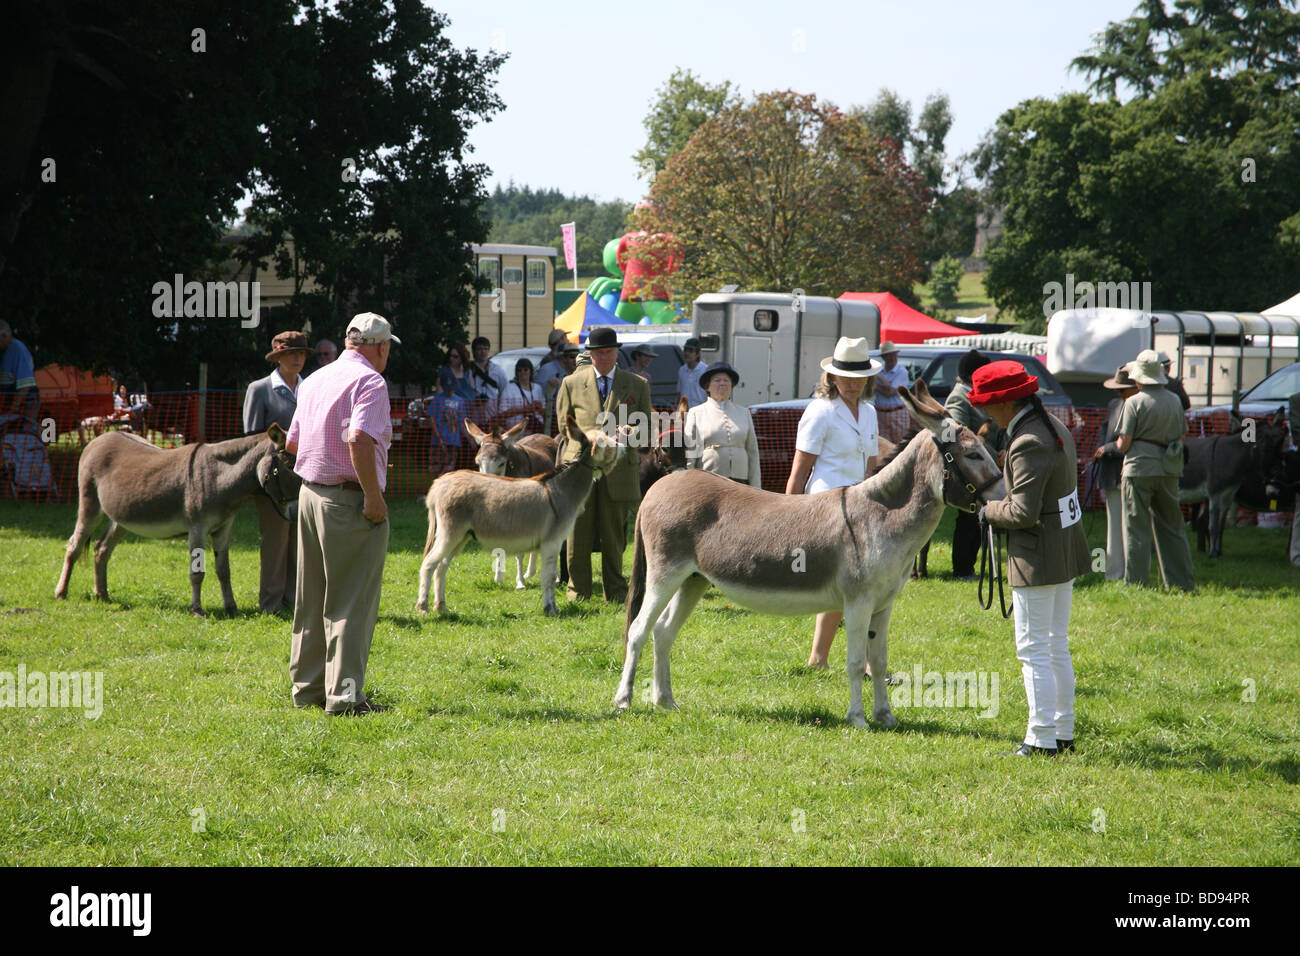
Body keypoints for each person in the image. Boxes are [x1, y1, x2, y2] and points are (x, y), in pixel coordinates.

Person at [970, 360, 1090, 757]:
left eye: (988, 403)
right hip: (1064, 547)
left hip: (1038, 553)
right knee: (1056, 644)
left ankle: (1040, 738)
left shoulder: (1027, 440)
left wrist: (988, 511)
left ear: (1005, 402)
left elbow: (1021, 513)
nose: (985, 411)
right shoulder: (1052, 426)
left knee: (1034, 648)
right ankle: (1062, 730)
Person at [285, 312, 398, 716]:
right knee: (351, 602)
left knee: (309, 599)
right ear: (382, 347)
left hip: (310, 496)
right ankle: (346, 696)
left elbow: (293, 444)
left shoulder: (314, 379)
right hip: (348, 501)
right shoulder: (371, 381)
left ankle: (307, 689)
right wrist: (373, 498)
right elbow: (359, 439)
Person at [784, 337, 883, 669]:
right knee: (847, 583)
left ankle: (835, 659)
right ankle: (828, 658)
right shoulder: (820, 412)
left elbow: (870, 467)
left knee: (863, 583)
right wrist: (787, 519)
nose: (853, 385)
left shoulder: (869, 412)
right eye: (847, 378)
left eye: (860, 378)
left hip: (861, 506)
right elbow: (799, 472)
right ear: (832, 377)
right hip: (826, 508)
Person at [555, 326, 651, 603]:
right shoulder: (571, 383)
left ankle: (617, 592)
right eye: (598, 353)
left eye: (609, 351)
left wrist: (630, 435)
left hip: (619, 471)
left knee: (614, 537)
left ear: (617, 352)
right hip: (579, 471)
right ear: (590, 355)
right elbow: (564, 426)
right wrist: (590, 441)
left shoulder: (637, 384)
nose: (604, 357)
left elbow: (646, 429)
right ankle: (578, 592)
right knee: (577, 535)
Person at [1115, 349, 1196, 591]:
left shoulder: (1133, 402)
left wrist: (1115, 446)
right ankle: (1181, 584)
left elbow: (1124, 444)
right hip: (1169, 470)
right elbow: (1182, 435)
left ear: (1138, 377)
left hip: (1138, 469)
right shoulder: (1174, 400)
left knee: (1135, 528)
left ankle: (1137, 583)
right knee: (1172, 528)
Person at [243, 330, 312, 613]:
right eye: (290, 353)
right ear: (278, 357)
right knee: (275, 542)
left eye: (301, 354)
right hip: (272, 479)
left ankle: (293, 602)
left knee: (299, 542)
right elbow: (250, 437)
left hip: (306, 477)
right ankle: (270, 606)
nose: (297, 358)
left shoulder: (311, 387)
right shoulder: (259, 389)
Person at [944, 349, 1006, 581]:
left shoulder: (978, 394)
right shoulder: (958, 398)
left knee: (980, 519)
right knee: (968, 519)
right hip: (971, 470)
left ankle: (973, 567)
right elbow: (957, 434)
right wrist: (993, 455)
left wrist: (1004, 449)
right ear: (973, 376)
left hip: (989, 465)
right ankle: (962, 569)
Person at [1092, 364, 1139, 580]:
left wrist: (1108, 448)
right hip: (1111, 473)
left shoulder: (1139, 405)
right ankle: (1113, 572)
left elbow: (1131, 442)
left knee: (1132, 527)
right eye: (1117, 389)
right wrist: (1102, 448)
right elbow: (1106, 432)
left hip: (1131, 471)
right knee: (1114, 526)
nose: (1118, 393)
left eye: (1122, 389)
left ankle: (1132, 573)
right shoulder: (1115, 404)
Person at [684, 362, 761, 487]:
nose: (722, 383)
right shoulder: (696, 412)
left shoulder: (744, 412)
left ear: (732, 385)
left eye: (726, 380)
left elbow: (753, 452)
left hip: (741, 481)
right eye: (717, 380)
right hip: (708, 480)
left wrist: (756, 487)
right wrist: (688, 484)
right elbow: (690, 452)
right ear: (707, 387)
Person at [0, 320, 39, 431]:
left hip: (24, 402)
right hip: (8, 400)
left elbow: (25, 386)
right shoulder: (3, 351)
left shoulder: (18, 350)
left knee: (23, 434)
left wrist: (14, 407)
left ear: (4, 336)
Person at [427, 366, 466, 476]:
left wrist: (469, 437)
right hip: (438, 441)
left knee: (449, 468)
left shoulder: (460, 401)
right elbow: (432, 419)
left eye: (452, 387)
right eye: (447, 388)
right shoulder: (437, 399)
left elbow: (462, 421)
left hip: (453, 441)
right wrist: (439, 438)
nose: (450, 391)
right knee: (436, 468)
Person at [492, 357, 545, 433]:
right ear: (516, 373)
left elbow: (544, 412)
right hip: (515, 432)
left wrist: (539, 408)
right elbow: (502, 414)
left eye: (525, 370)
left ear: (531, 371)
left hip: (535, 431)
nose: (523, 372)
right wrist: (525, 409)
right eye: (519, 370)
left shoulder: (538, 388)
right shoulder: (509, 388)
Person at [873, 341, 910, 444]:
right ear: (884, 357)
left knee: (899, 445)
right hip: (880, 414)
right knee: (883, 446)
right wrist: (882, 385)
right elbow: (886, 389)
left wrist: (878, 383)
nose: (891, 358)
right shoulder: (878, 370)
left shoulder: (902, 372)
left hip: (897, 413)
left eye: (893, 355)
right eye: (888, 355)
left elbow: (889, 392)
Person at [467, 336, 508, 406]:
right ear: (474, 351)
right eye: (479, 349)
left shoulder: (497, 370)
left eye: (485, 349)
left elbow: (505, 391)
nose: (483, 352)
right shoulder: (468, 370)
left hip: (492, 411)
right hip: (472, 410)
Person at [677, 337, 708, 407]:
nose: (686, 353)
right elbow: (679, 393)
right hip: (684, 411)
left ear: (698, 354)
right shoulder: (682, 370)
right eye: (685, 350)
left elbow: (710, 394)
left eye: (690, 351)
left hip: (701, 411)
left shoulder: (706, 370)